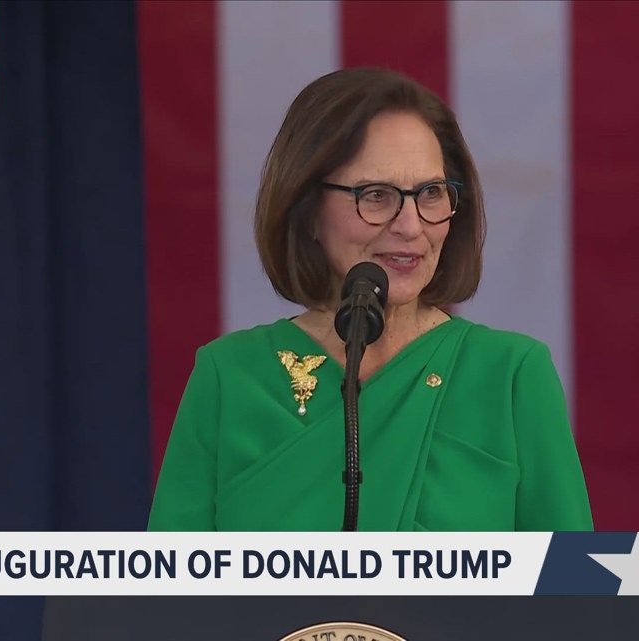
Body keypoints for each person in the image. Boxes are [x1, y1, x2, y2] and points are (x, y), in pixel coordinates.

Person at [147, 67, 592, 532]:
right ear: (308, 212)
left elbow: (580, 590)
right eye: (376, 195)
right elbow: (165, 594)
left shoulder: (511, 374)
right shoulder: (229, 377)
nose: (410, 226)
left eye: (431, 193)